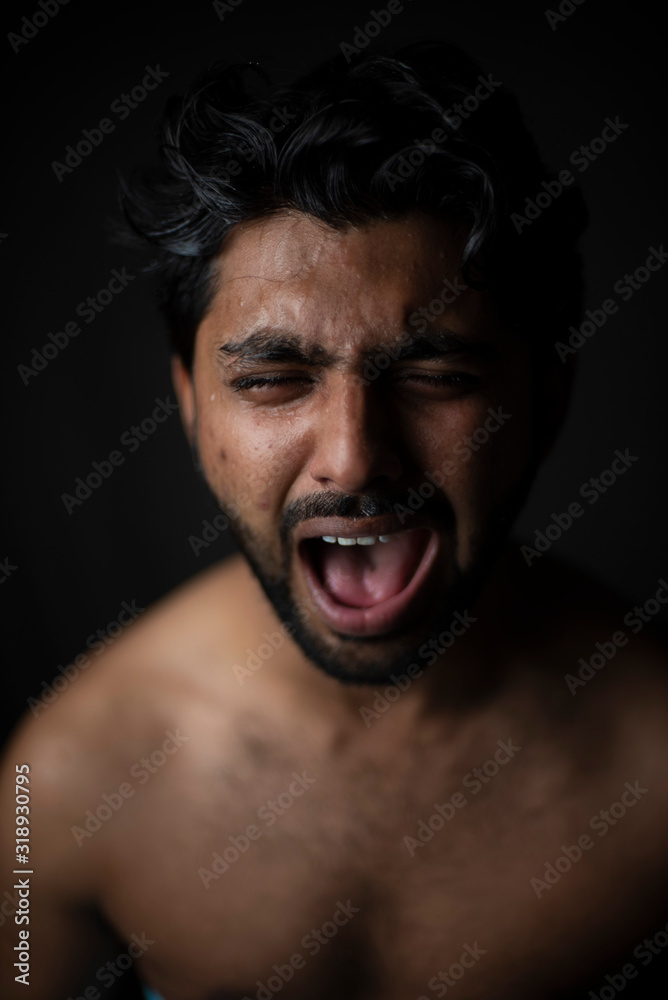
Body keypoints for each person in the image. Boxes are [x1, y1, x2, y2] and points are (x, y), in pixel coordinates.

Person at [2, 39, 668, 1000]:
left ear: (547, 399)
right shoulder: (61, 785)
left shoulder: (654, 777)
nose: (354, 457)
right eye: (273, 381)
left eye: (437, 377)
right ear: (190, 406)